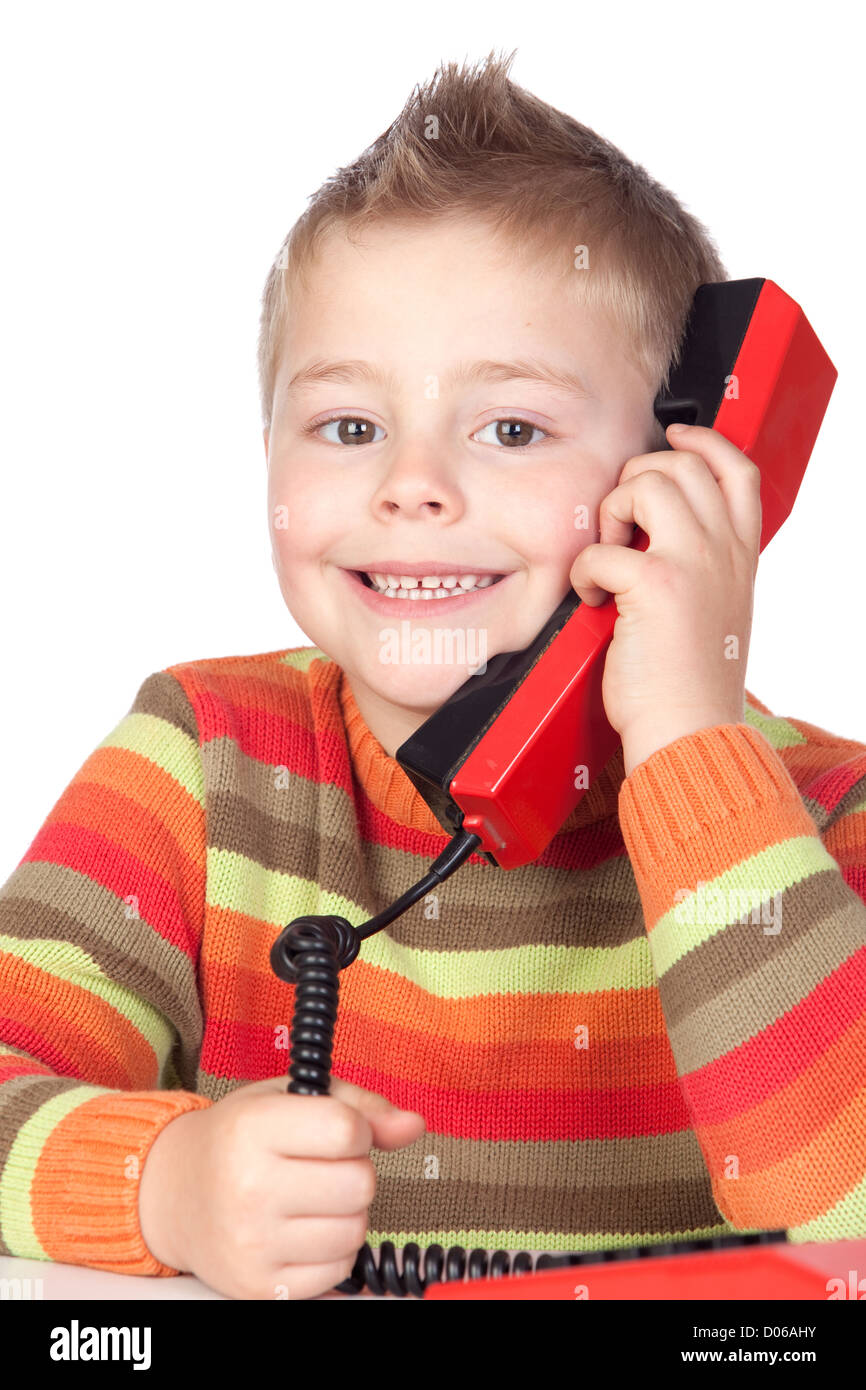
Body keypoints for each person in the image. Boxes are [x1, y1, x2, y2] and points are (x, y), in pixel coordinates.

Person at [2, 51, 864, 1302]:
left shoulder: (819, 816)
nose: (411, 484)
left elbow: (846, 1212)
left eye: (509, 429)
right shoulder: (204, 758)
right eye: (348, 428)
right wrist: (167, 1184)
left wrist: (685, 732)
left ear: (679, 472)